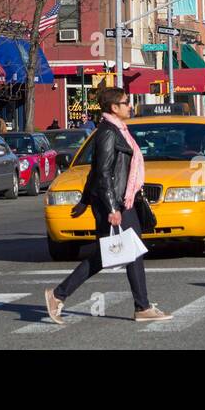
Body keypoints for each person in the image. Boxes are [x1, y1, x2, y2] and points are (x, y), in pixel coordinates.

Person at [44, 86, 170, 324]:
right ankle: (60, 294)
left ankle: (140, 306)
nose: (130, 105)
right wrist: (112, 208)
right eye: (126, 102)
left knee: (117, 253)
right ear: (114, 107)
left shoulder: (118, 130)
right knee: (119, 252)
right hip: (114, 203)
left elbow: (97, 170)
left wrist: (84, 201)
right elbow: (102, 172)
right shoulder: (109, 133)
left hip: (121, 200)